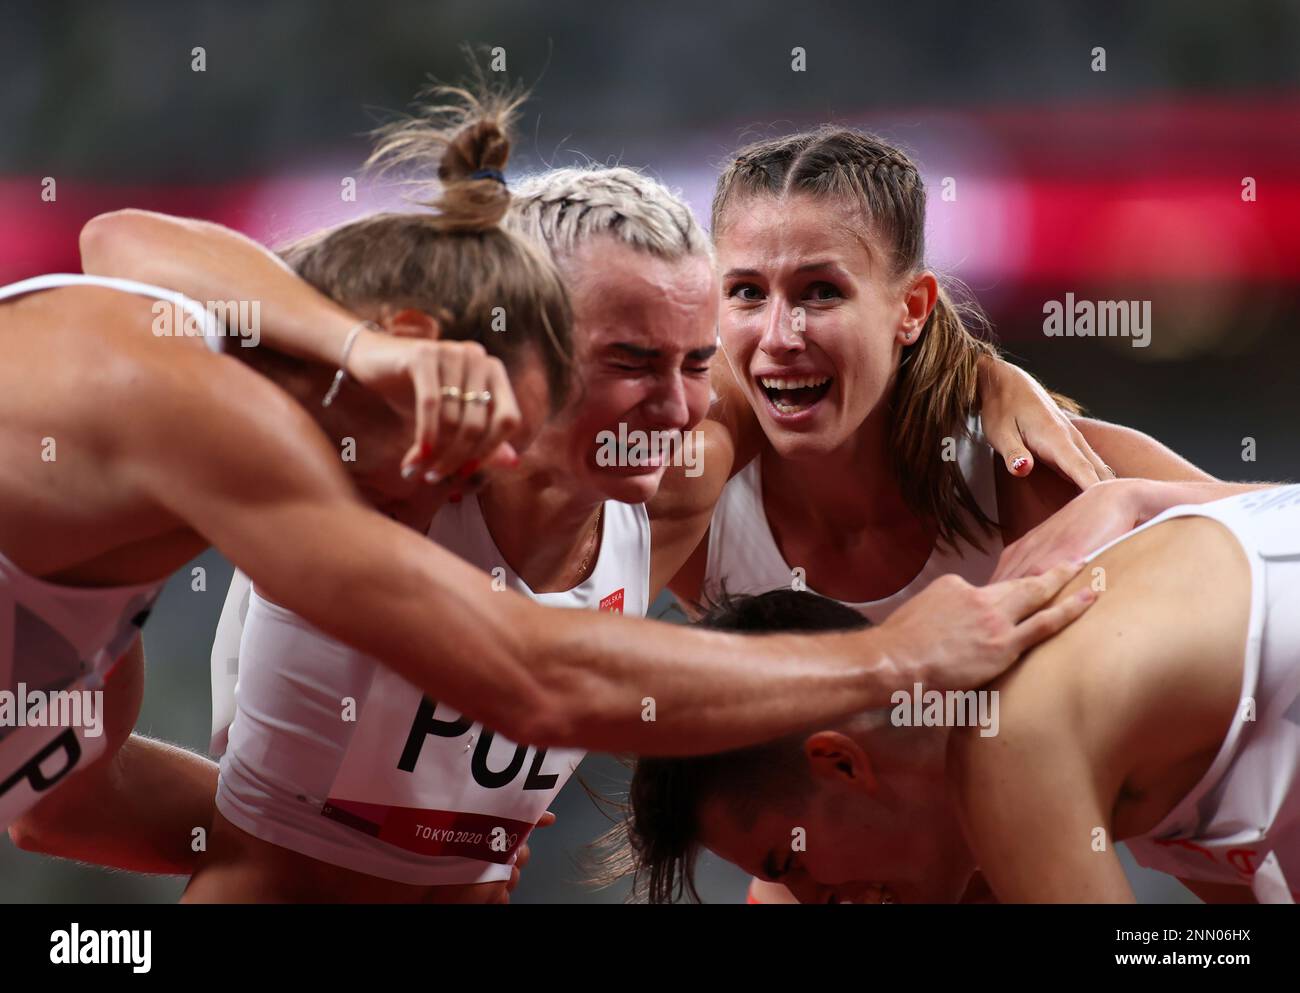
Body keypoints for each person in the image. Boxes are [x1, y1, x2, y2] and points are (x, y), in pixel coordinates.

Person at [4, 88, 1091, 884]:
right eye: (621, 363)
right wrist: (897, 660)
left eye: (694, 364)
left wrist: (982, 383)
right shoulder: (274, 431)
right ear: (457, 343)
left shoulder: (672, 462)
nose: (674, 409)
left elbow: (56, 806)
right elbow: (127, 241)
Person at [663, 125, 1268, 903]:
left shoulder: (1030, 470)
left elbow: (1278, 539)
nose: (780, 335)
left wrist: (1133, 497)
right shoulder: (700, 514)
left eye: (822, 290)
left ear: (911, 307)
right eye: (747, 292)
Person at [623, 485, 1300, 905]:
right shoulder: (1084, 738)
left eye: (790, 864)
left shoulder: (1011, 744)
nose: (815, 899)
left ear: (840, 762)